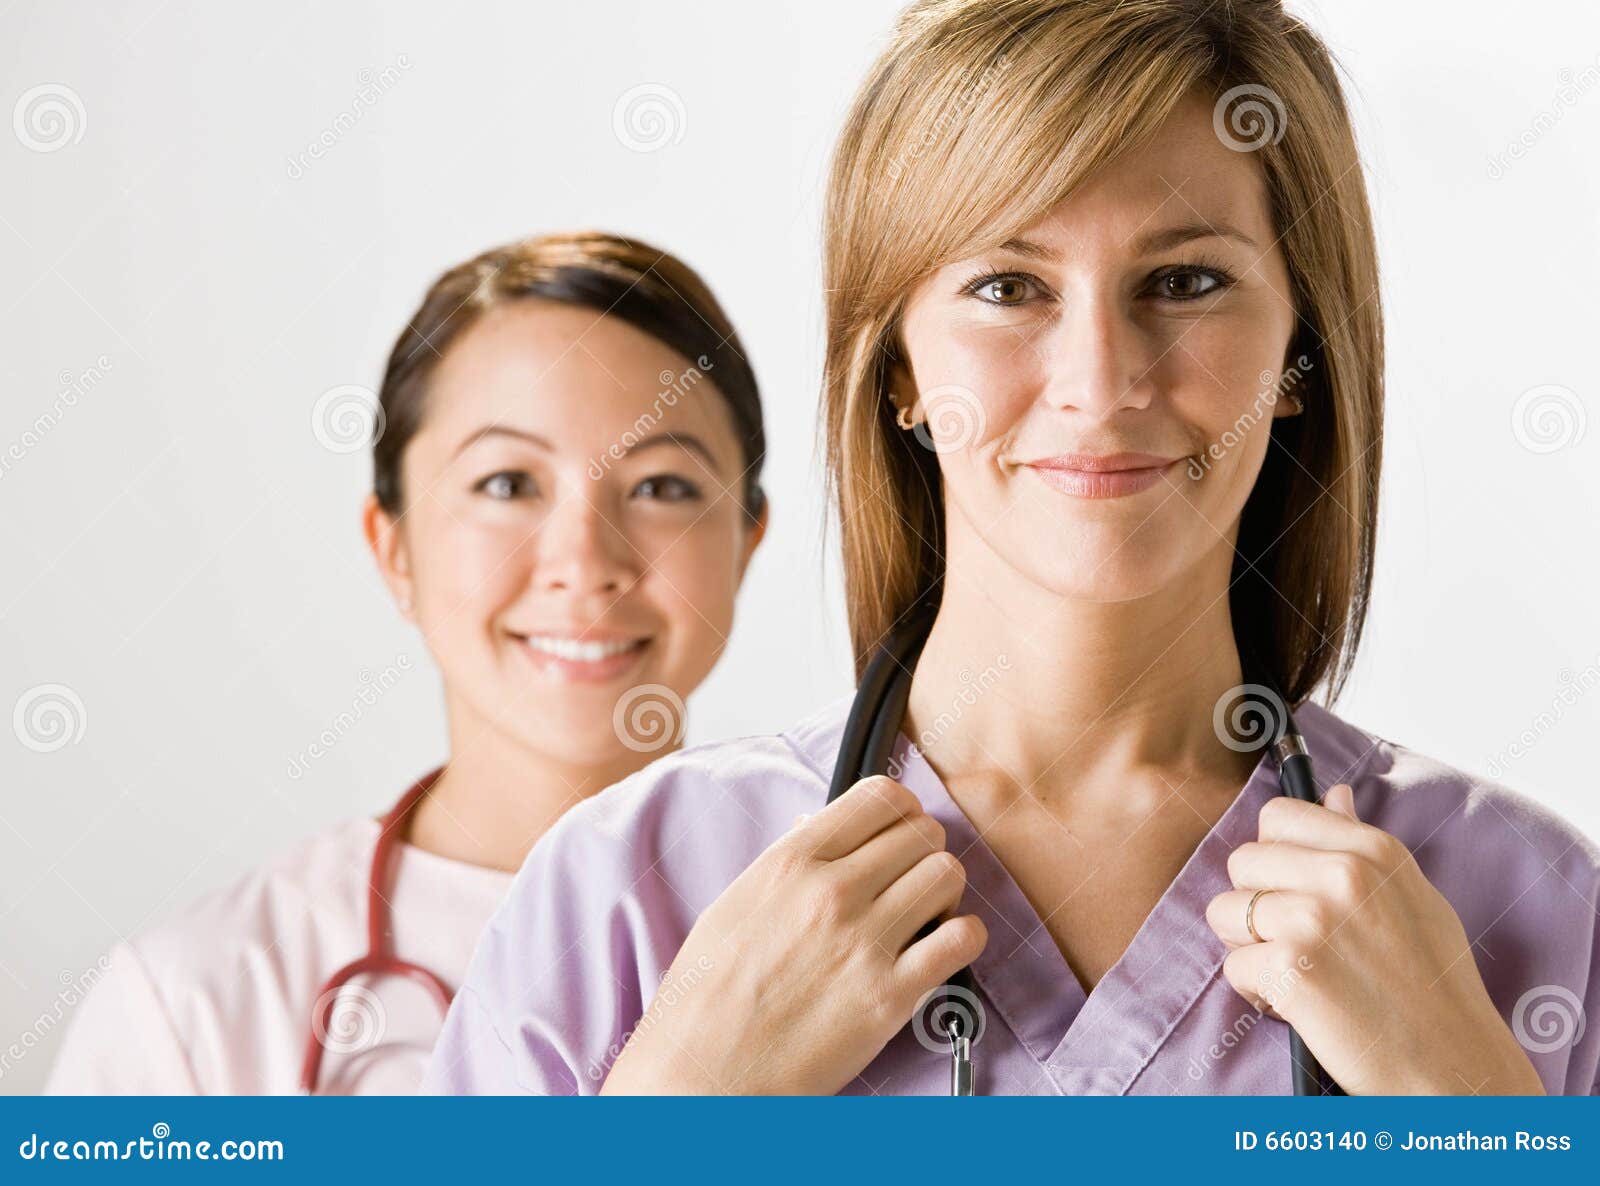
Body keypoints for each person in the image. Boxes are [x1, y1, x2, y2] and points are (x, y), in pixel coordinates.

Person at [423, 0, 1600, 1096]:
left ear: (1299, 352)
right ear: (896, 370)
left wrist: (1474, 1111)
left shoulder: (1524, 900)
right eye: (1006, 286)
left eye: (1184, 281)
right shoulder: (624, 894)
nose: (1100, 383)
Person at [45, 231, 768, 1094]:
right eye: (508, 484)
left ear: (747, 539)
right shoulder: (192, 1003)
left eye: (661, 486)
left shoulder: (883, 925)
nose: (583, 559)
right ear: (394, 549)